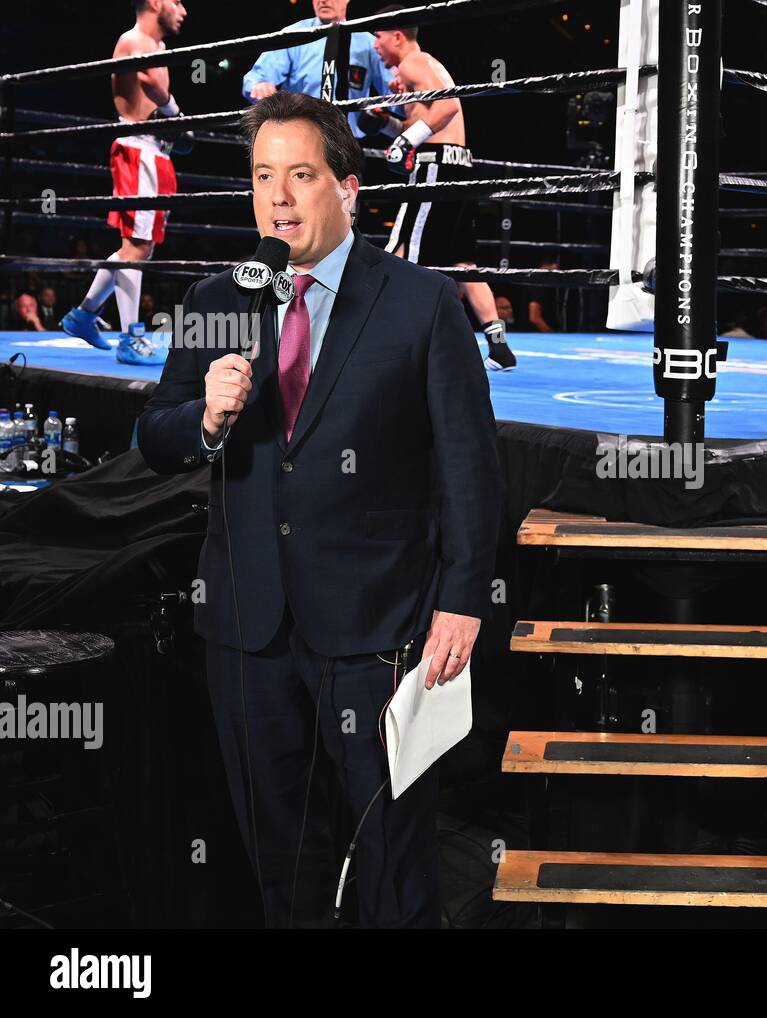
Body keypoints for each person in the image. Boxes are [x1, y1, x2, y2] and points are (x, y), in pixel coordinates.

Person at [135, 92, 503, 928]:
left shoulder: (422, 304)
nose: (279, 198)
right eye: (264, 177)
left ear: (348, 187)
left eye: (301, 175)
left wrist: (460, 602)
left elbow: (470, 472)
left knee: (393, 859)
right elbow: (153, 438)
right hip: (247, 628)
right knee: (280, 860)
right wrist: (203, 417)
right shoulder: (218, 300)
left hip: (381, 629)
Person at [370, 6, 515, 371]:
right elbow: (425, 119)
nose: (375, 45)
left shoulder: (413, 62)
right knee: (461, 260)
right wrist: (390, 121)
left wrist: (405, 139)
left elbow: (448, 107)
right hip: (457, 163)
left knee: (404, 248)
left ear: (398, 36)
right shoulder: (420, 69)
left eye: (379, 36)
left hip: (435, 166)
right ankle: (499, 347)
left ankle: (403, 339)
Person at [60, 0, 188, 351]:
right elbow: (153, 87)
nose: (183, 10)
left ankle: (83, 316)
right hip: (137, 149)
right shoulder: (132, 40)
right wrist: (178, 117)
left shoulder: (157, 45)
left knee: (138, 249)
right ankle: (131, 338)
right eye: (176, 1)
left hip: (156, 151)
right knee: (136, 247)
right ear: (155, 2)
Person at [242, 0, 390, 141]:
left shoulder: (369, 43)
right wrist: (259, 86)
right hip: (298, 137)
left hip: (349, 143)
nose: (323, 1)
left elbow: (395, 90)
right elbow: (255, 79)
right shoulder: (295, 34)